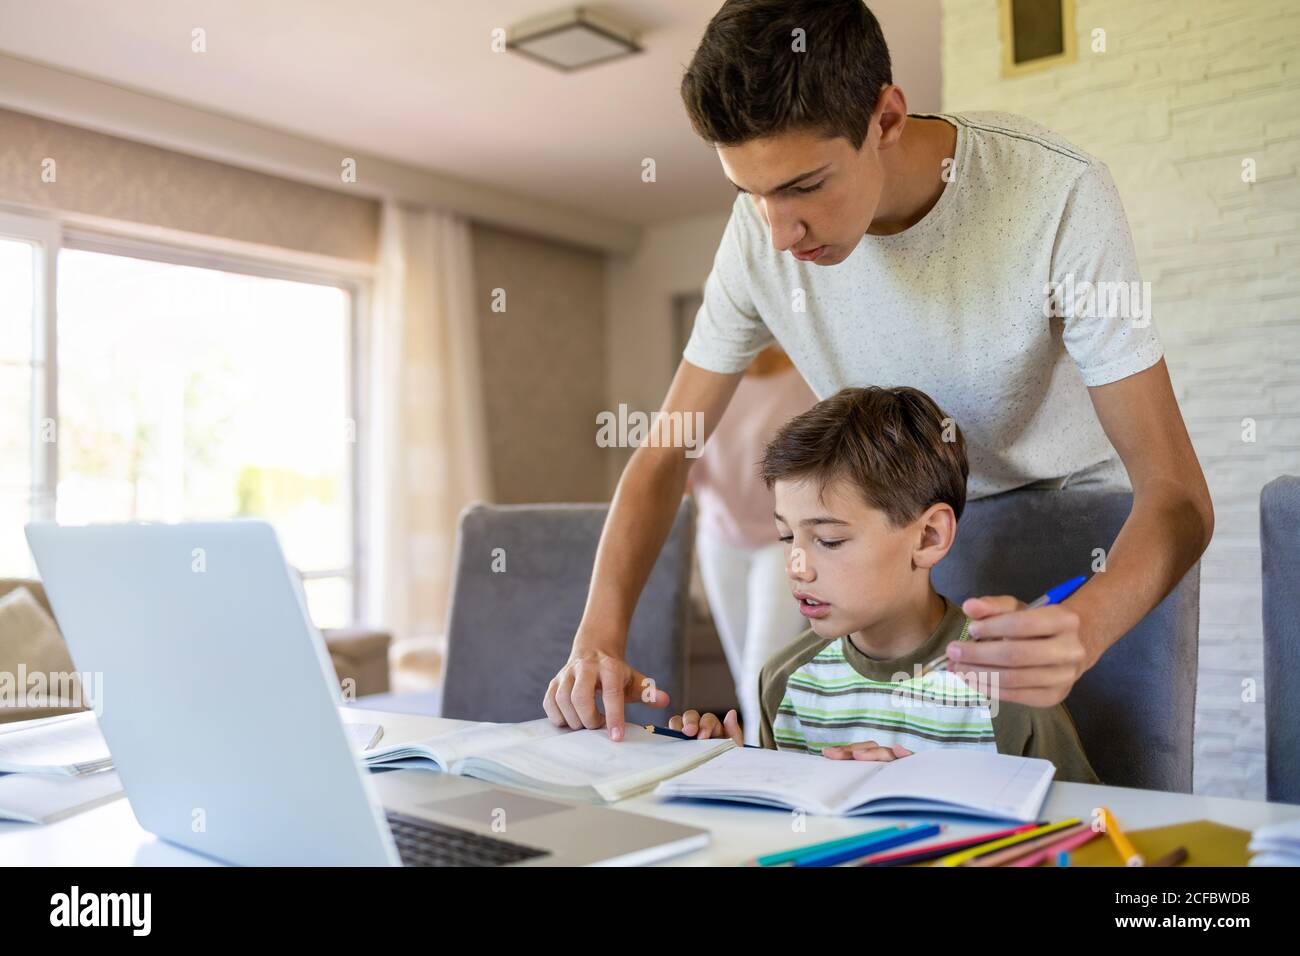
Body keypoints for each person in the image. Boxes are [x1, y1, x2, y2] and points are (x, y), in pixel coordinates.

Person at [542, 0, 1212, 741]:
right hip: (902, 545)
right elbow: (666, 450)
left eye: (803, 186)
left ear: (886, 118)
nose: (779, 231)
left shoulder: (1057, 195)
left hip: (1085, 551)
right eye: (750, 192)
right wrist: (598, 636)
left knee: (1093, 797)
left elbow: (1177, 494)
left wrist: (1087, 622)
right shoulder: (759, 240)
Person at [667, 385, 1100, 784]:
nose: (796, 566)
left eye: (829, 540)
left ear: (929, 537)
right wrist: (736, 775)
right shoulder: (784, 682)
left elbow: (1086, 836)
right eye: (786, 537)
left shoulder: (1008, 685)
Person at [685, 344, 815, 743]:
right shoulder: (707, 378)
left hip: (782, 542)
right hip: (720, 540)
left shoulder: (807, 376)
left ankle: (764, 769)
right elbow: (680, 463)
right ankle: (762, 761)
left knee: (763, 667)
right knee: (745, 672)